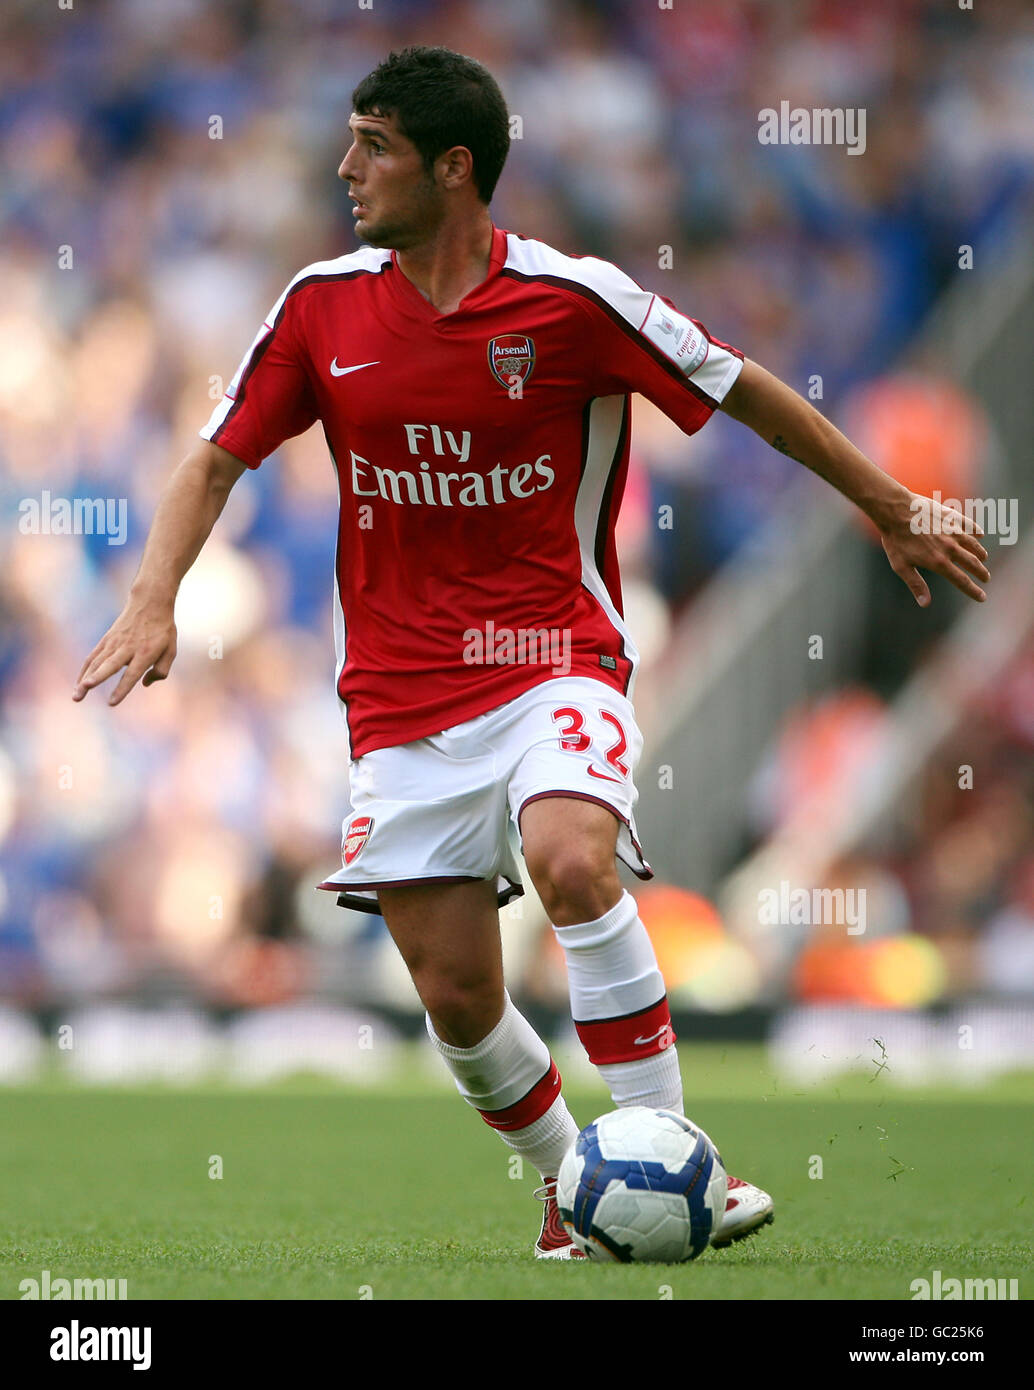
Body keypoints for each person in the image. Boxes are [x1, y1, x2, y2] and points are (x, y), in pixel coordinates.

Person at [73, 46, 990, 1259]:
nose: (344, 168)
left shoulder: (573, 301)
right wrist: (153, 599)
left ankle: (675, 1156)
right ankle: (573, 1183)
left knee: (568, 858)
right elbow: (212, 458)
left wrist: (882, 499)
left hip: (552, 654)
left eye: (375, 146)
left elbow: (742, 386)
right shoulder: (320, 307)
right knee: (455, 995)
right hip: (398, 694)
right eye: (348, 140)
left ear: (454, 169)